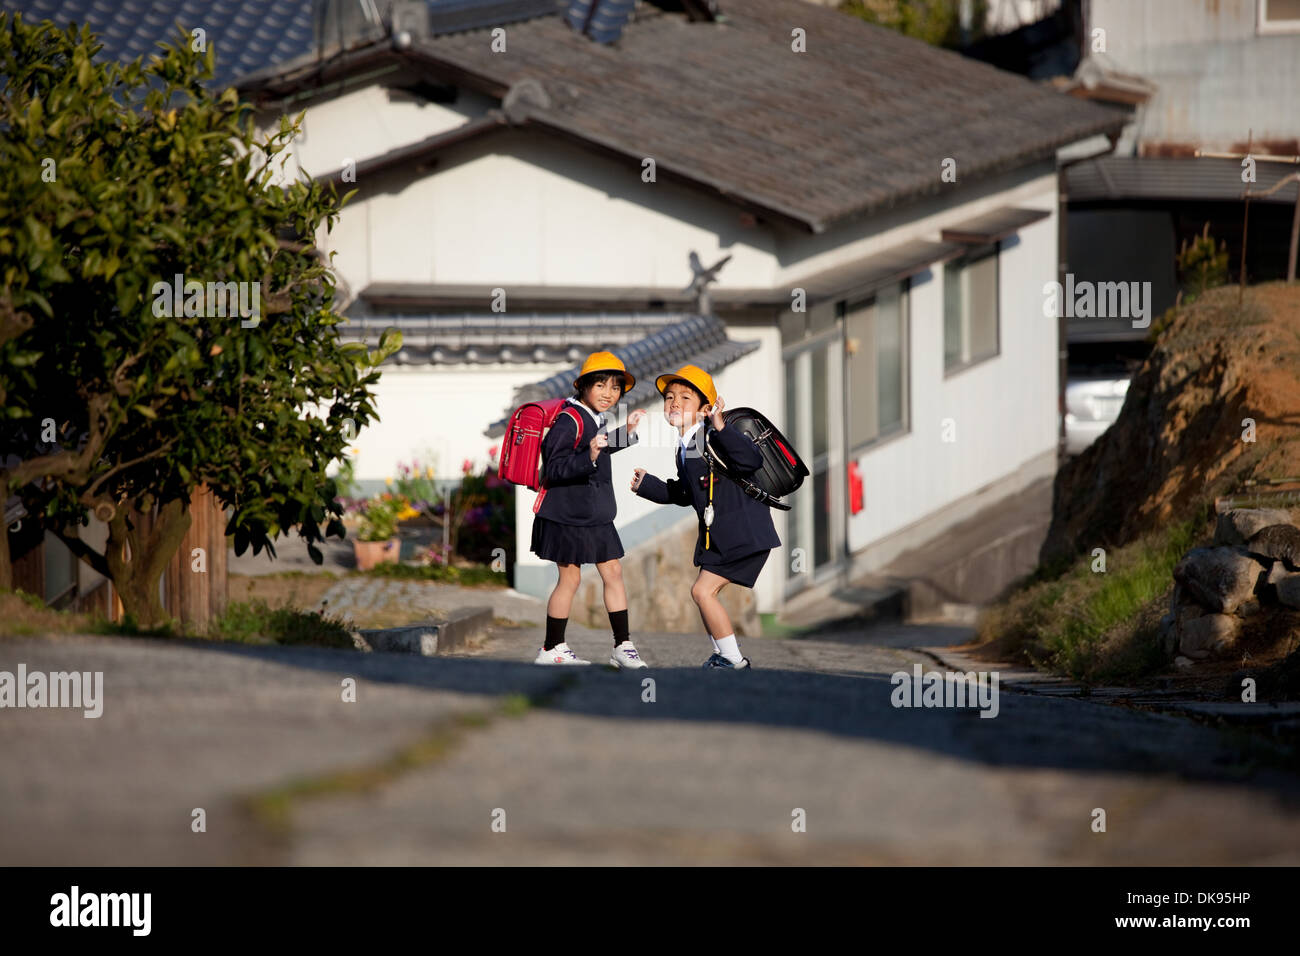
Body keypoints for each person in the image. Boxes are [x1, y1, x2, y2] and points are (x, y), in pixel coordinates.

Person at [631, 365, 779, 669]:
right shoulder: (686, 447)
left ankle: (734, 660)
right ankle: (724, 654)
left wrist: (721, 425)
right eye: (669, 397)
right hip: (724, 534)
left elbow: (751, 460)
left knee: (702, 591)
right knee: (702, 591)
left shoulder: (712, 435)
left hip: (744, 532)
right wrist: (647, 484)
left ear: (704, 410)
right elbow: (686, 494)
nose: (674, 403)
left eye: (686, 398)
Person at [532, 351, 647, 668]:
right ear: (582, 386)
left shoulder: (592, 417)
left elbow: (598, 444)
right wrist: (590, 458)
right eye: (601, 385)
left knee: (613, 572)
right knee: (569, 580)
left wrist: (627, 431)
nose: (609, 393)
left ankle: (622, 646)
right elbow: (553, 468)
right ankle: (551, 648)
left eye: (615, 387)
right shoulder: (568, 420)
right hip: (566, 515)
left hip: (593, 513)